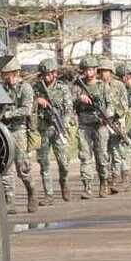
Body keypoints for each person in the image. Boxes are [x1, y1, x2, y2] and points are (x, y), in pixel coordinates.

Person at [0, 61, 37, 212]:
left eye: (7, 75)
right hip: (4, 130)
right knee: (5, 166)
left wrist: (8, 114)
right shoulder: (2, 88)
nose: (6, 78)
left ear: (15, 73)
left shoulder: (25, 88)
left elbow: (26, 109)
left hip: (19, 130)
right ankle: (9, 200)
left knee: (22, 167)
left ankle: (31, 191)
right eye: (4, 76)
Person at [71, 55, 112, 200]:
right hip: (84, 125)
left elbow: (109, 105)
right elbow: (70, 104)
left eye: (91, 70)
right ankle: (87, 187)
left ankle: (104, 183)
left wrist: (106, 117)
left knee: (102, 156)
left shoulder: (103, 86)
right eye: (86, 70)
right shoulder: (77, 86)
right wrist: (79, 98)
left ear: (96, 70)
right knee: (85, 156)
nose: (89, 73)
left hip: (100, 124)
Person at [33, 59, 73, 204]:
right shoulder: (36, 88)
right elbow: (28, 103)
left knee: (63, 162)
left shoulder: (62, 88)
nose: (46, 77)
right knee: (44, 163)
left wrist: (66, 122)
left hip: (58, 128)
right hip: (43, 128)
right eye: (44, 74)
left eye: (49, 74)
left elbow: (69, 107)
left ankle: (64, 182)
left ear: (55, 74)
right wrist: (37, 100)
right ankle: (48, 194)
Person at [99, 59, 130, 193]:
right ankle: (106, 180)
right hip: (101, 123)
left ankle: (116, 179)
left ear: (111, 72)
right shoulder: (98, 86)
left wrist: (115, 115)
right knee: (104, 153)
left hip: (116, 122)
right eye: (100, 71)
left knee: (117, 152)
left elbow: (124, 105)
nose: (103, 74)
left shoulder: (119, 86)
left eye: (105, 71)